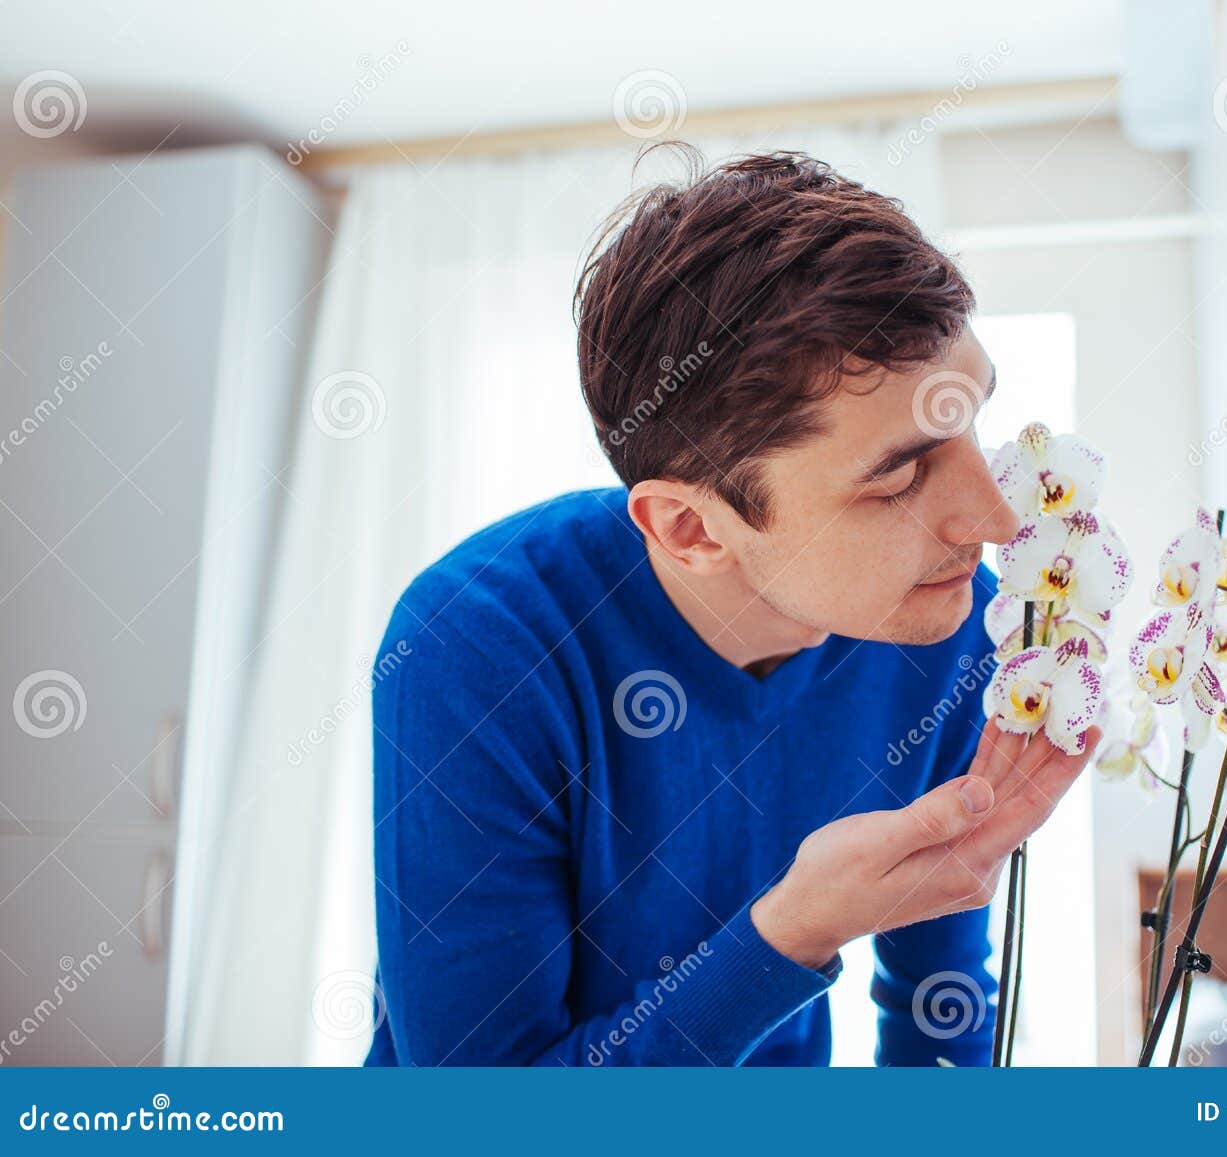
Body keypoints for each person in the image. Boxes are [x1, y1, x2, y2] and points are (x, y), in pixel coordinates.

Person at [365, 146, 1097, 1067]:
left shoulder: (947, 619)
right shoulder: (473, 648)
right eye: (901, 473)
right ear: (690, 527)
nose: (993, 518)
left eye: (971, 419)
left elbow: (936, 1002)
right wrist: (789, 935)